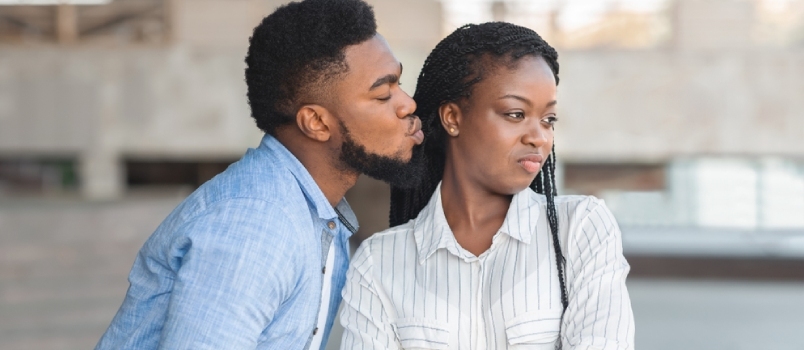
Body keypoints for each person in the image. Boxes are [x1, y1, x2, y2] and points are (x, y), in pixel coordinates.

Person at [95, 0, 425, 349]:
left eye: (399, 84)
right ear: (316, 122)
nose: (407, 104)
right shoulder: (258, 225)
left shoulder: (314, 213)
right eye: (384, 94)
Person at [340, 22, 634, 349]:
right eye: (515, 113)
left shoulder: (579, 228)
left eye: (548, 119)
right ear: (453, 117)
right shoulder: (380, 262)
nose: (538, 136)